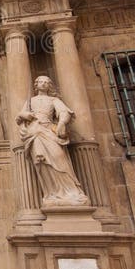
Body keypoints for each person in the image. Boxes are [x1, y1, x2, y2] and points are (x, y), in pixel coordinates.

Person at [16, 76, 89, 206]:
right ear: (36, 85)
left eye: (46, 82)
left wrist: (61, 123)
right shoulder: (30, 101)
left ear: (49, 85)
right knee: (42, 163)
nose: (43, 84)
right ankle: (51, 192)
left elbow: (64, 112)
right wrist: (25, 115)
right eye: (40, 82)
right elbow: (19, 117)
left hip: (48, 130)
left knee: (59, 157)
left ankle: (70, 192)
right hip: (35, 131)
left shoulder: (53, 99)